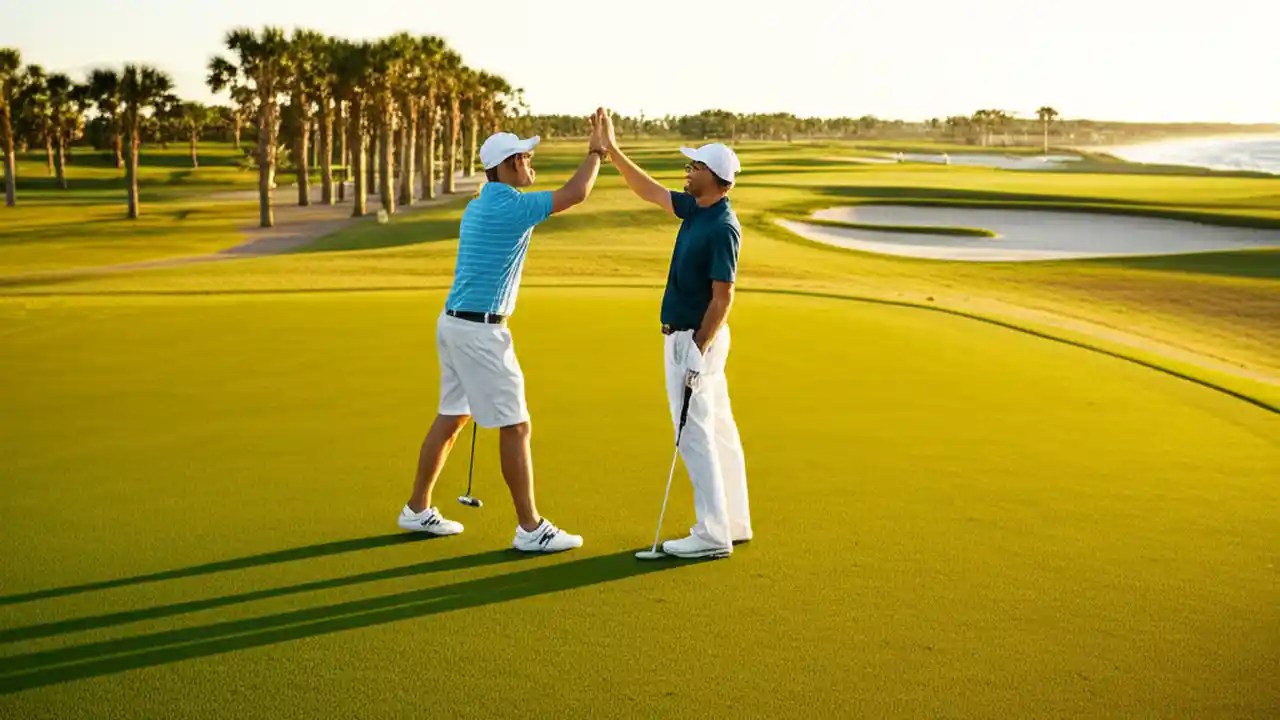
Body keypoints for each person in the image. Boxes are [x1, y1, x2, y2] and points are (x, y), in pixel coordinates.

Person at [397, 114, 609, 553]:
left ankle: (416, 509)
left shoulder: (481, 203)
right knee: (516, 426)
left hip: (455, 323)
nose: (531, 161)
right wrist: (597, 150)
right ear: (509, 164)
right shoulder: (509, 205)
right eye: (525, 156)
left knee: (453, 416)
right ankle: (530, 528)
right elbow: (577, 193)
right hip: (480, 333)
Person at [597, 108, 752, 559]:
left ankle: (711, 533)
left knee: (693, 432)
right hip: (694, 339)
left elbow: (723, 298)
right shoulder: (697, 208)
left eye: (695, 166)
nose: (687, 171)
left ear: (715, 176)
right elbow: (647, 189)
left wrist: (696, 351)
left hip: (694, 338)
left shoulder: (722, 226)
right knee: (718, 426)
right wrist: (613, 149)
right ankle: (733, 521)